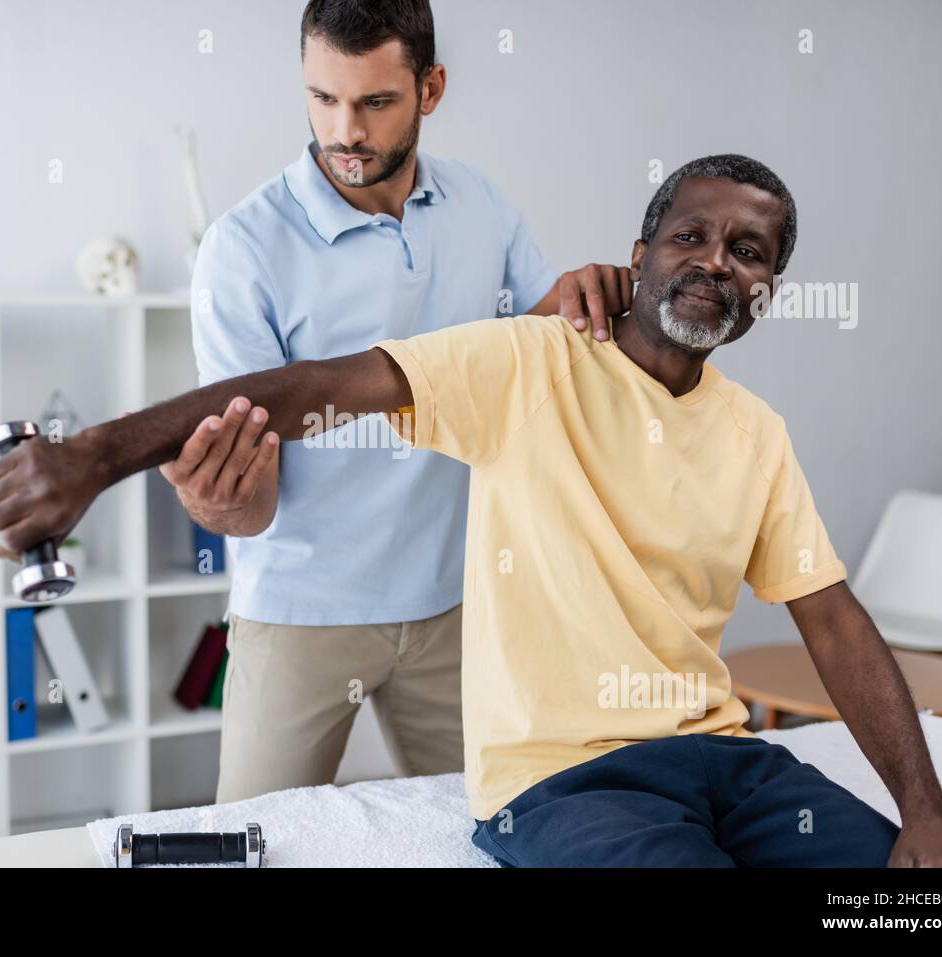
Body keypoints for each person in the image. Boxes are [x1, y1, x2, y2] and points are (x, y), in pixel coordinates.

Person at [0, 153, 942, 866]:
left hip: (725, 762)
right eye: (694, 236)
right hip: (564, 781)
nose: (720, 262)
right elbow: (314, 385)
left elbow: (834, 619)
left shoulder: (756, 432)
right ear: (638, 253)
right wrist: (94, 457)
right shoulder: (526, 360)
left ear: (768, 294)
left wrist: (928, 811)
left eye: (751, 254)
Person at [151, 0, 630, 802]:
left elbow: (536, 365)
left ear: (431, 88)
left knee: (501, 825)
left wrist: (582, 304)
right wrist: (218, 504)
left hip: (453, 599)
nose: (344, 131)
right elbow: (249, 503)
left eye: (375, 102)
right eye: (322, 98)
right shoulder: (242, 250)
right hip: (301, 610)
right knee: (257, 843)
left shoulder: (482, 206)